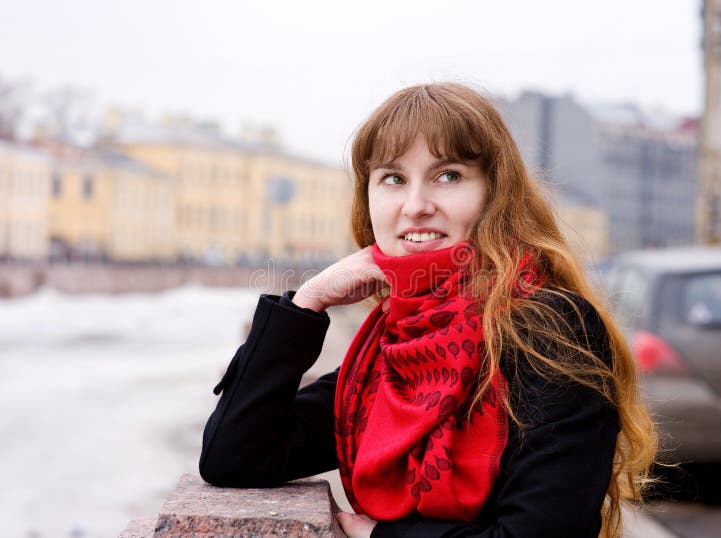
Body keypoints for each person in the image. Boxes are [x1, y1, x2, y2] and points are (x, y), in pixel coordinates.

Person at [199, 83, 657, 537]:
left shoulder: (548, 327)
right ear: (370, 199)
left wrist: (384, 537)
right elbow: (235, 456)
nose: (416, 206)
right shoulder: (390, 346)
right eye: (393, 179)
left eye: (449, 175)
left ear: (494, 194)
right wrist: (308, 302)